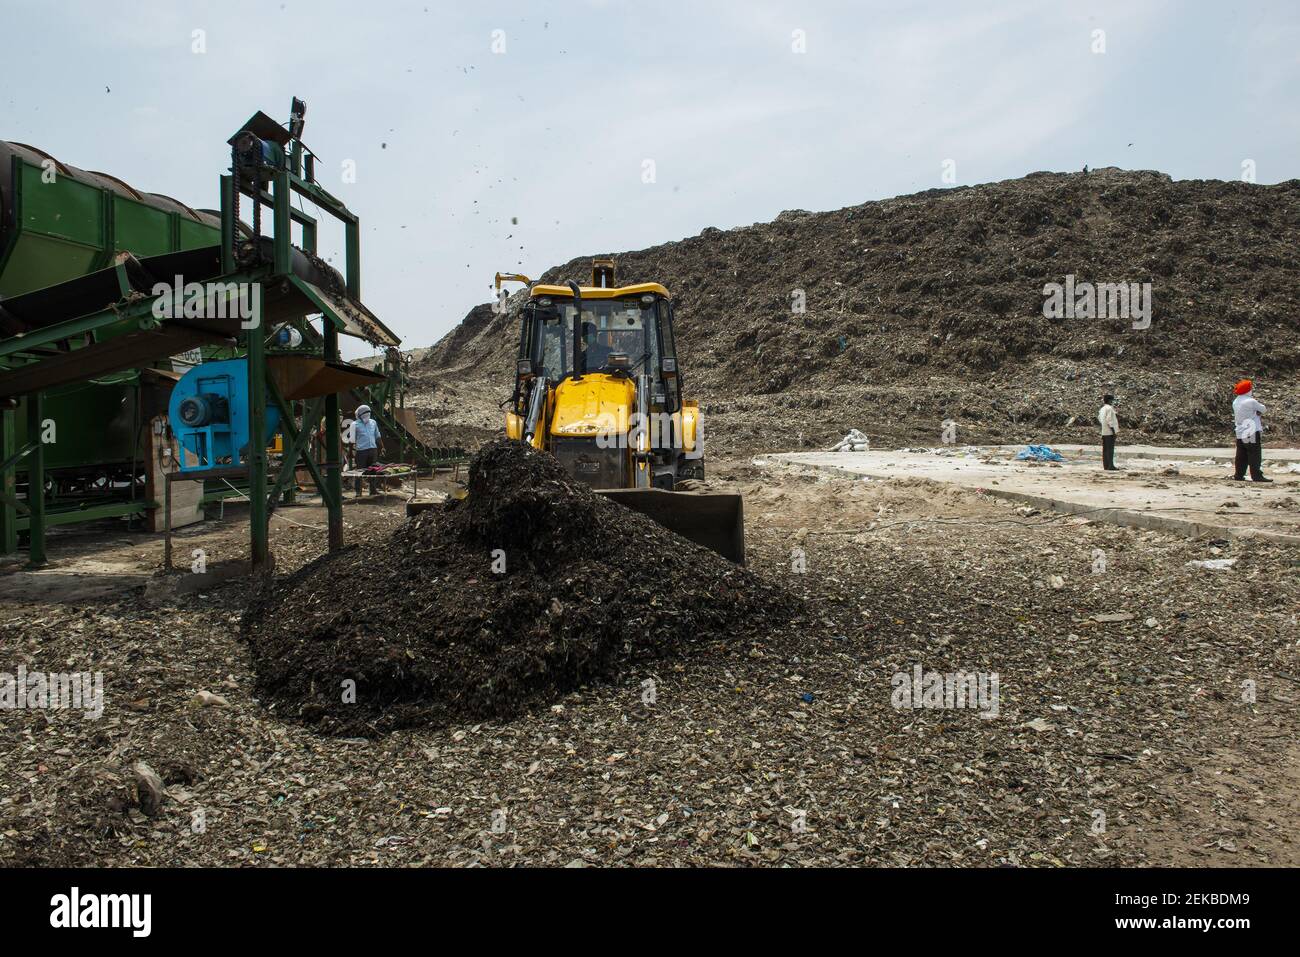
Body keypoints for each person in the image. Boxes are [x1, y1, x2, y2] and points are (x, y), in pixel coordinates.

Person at [1232, 379, 1271, 482]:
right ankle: (1256, 476)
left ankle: (1239, 475)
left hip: (1240, 430)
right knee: (1254, 454)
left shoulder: (1236, 401)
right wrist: (1257, 412)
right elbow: (1263, 409)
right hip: (1251, 429)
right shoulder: (1251, 401)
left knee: (1241, 455)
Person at [352, 404, 382, 496]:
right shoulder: (354, 424)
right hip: (361, 451)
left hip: (373, 450)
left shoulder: (373, 422)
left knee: (373, 471)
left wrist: (382, 447)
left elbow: (378, 436)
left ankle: (373, 490)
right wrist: (351, 452)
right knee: (360, 472)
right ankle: (358, 492)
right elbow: (352, 440)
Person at [1098, 394, 1120, 471]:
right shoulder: (1110, 409)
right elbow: (1109, 420)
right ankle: (1111, 466)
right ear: (1110, 400)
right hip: (1109, 432)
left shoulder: (1102, 409)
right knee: (1110, 450)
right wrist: (1114, 432)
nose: (1113, 402)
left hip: (1104, 431)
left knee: (1105, 450)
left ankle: (1106, 466)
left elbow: (1100, 419)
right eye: (1112, 400)